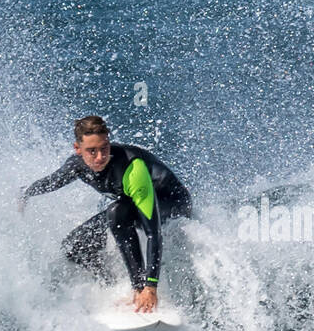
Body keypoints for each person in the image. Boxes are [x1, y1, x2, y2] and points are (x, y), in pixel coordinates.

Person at [18, 115, 191, 313]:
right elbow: (52, 182)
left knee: (116, 214)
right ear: (78, 149)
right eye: (92, 151)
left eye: (104, 148)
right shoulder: (77, 166)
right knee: (73, 246)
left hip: (173, 203)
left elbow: (153, 233)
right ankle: (112, 283)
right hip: (132, 203)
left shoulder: (133, 168)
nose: (100, 157)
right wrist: (26, 193)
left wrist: (150, 287)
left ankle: (139, 289)